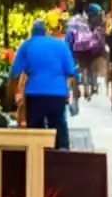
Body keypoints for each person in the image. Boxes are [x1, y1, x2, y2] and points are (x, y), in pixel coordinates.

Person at [11, 19, 79, 150]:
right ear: (46, 32)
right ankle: (62, 154)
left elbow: (14, 73)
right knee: (59, 126)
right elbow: (71, 72)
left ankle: (39, 157)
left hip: (35, 94)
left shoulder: (26, 45)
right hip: (57, 94)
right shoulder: (60, 45)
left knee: (36, 131)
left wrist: (16, 94)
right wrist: (68, 92)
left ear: (32, 33)